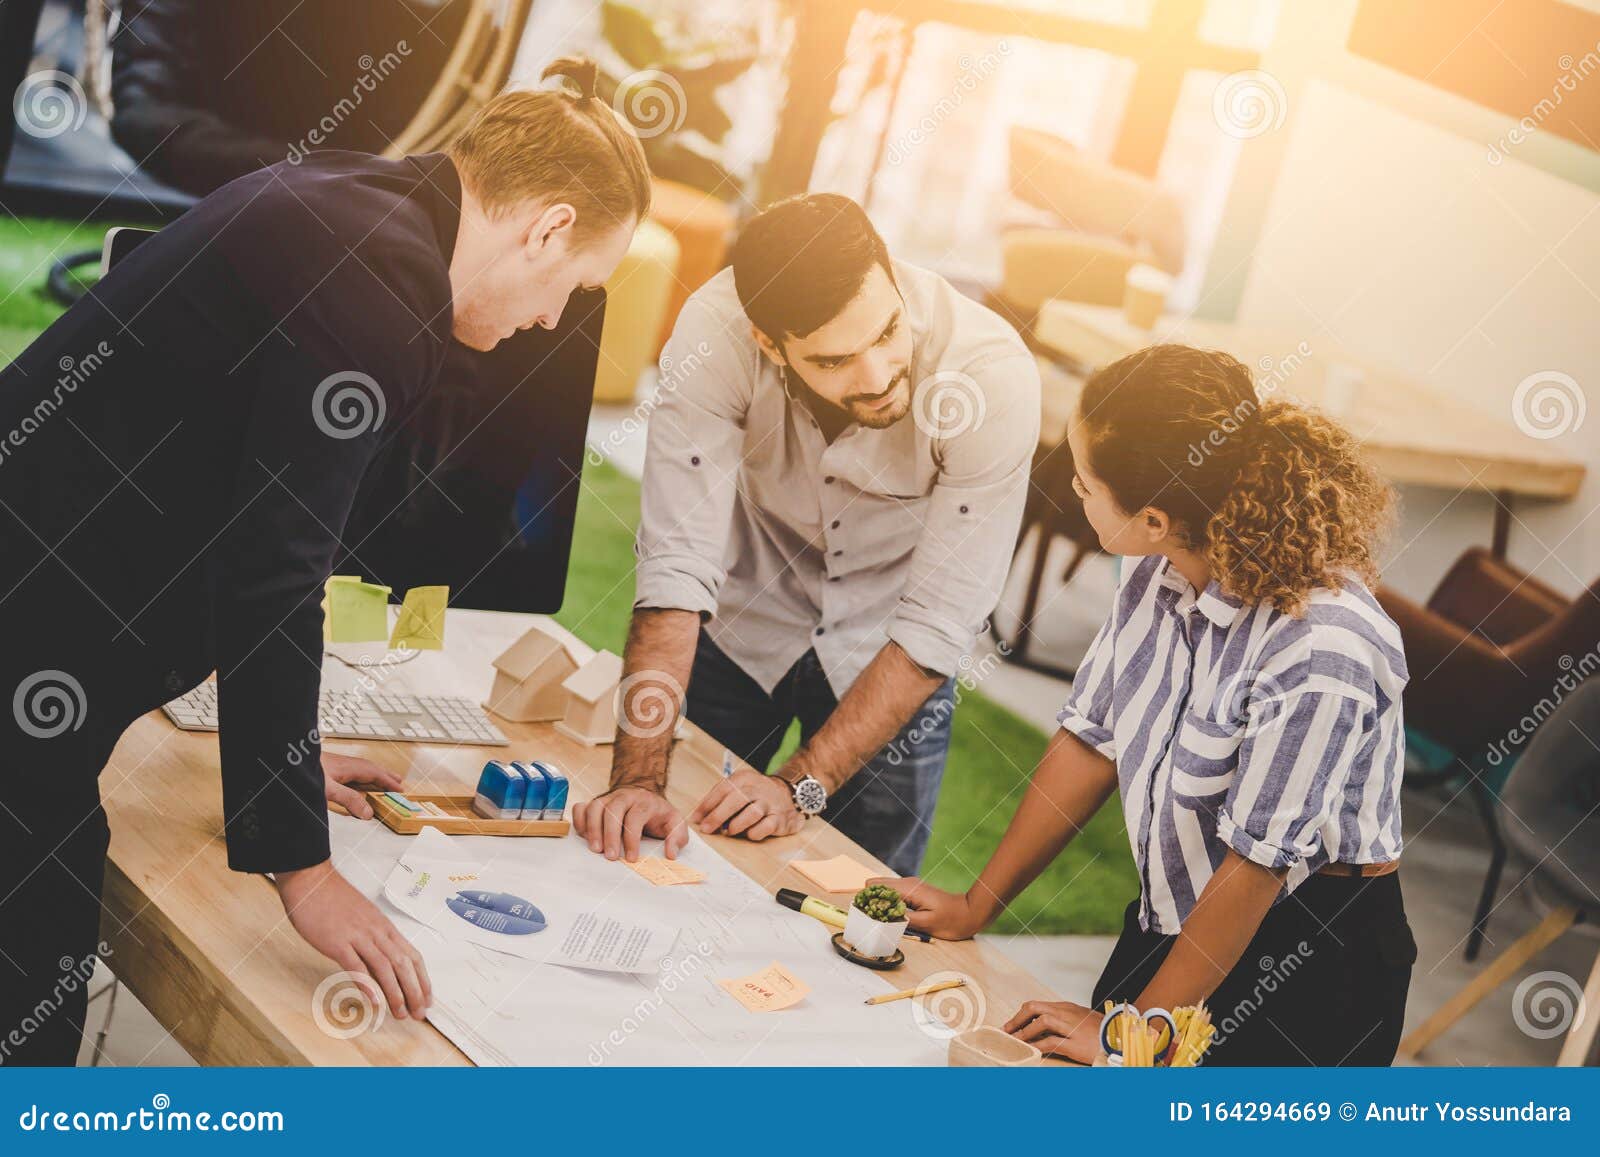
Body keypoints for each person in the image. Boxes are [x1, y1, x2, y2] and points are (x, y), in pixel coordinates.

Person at [0, 57, 648, 1065]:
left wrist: (286, 759)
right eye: (574, 284)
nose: (551, 319)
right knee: (31, 997)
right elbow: (275, 570)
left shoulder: (361, 201)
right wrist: (303, 866)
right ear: (549, 227)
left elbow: (215, 490)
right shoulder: (380, 288)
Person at [878, 345, 1416, 1065]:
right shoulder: (1154, 568)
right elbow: (1090, 739)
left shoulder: (1322, 648)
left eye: (1086, 480)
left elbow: (1255, 867)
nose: (1072, 487)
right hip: (1182, 914)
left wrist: (1134, 1029)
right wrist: (979, 904)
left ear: (1155, 517)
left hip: (1313, 958)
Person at [572, 195, 1040, 875]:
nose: (877, 378)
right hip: (742, 617)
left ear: (890, 274)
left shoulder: (990, 377)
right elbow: (676, 561)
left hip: (892, 648)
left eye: (885, 334)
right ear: (770, 343)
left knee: (857, 909)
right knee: (658, 857)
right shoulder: (716, 334)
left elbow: (940, 620)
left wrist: (801, 787)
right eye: (834, 360)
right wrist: (638, 782)